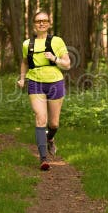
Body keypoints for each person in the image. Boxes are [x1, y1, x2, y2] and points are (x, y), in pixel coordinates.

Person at [17, 11, 71, 171]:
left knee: (54, 123)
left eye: (45, 21)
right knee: (40, 118)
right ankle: (43, 159)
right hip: (35, 82)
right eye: (38, 21)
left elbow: (67, 64)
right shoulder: (27, 44)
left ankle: (50, 139)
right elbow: (25, 62)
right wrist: (22, 78)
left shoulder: (57, 41)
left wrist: (54, 58)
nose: (41, 23)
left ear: (49, 23)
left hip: (55, 82)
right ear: (34, 24)